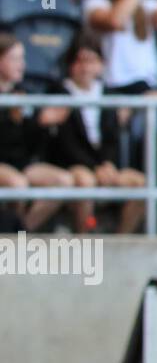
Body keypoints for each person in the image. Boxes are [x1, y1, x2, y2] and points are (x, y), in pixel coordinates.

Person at [46, 32, 150, 233]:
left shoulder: (108, 96)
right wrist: (95, 167)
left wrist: (107, 165)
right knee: (86, 182)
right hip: (73, 165)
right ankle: (83, 242)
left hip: (103, 165)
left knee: (141, 183)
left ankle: (120, 242)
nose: (85, 68)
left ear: (101, 64)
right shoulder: (59, 91)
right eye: (80, 61)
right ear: (70, 64)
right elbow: (66, 143)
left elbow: (111, 137)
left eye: (91, 61)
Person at [0, 33, 81, 233]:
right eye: (14, 58)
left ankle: (20, 231)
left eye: (22, 58)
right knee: (17, 184)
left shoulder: (24, 94)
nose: (22, 65)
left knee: (64, 181)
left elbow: (30, 143)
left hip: (21, 163)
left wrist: (41, 123)